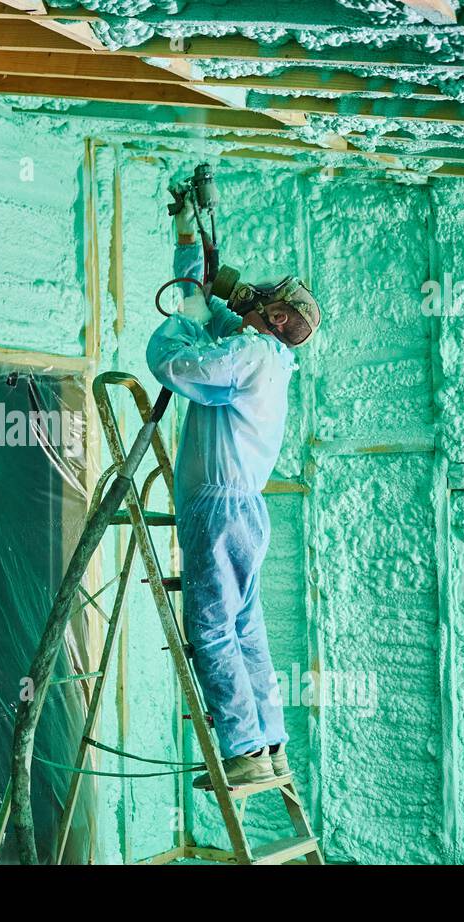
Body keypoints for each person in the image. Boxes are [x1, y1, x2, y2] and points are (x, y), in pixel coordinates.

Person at [146, 194, 321, 788]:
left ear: (274, 320)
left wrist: (180, 323)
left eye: (265, 298)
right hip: (245, 510)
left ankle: (243, 751)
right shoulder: (268, 357)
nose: (257, 293)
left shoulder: (246, 354)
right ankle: (268, 742)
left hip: (217, 509)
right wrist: (191, 246)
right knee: (245, 629)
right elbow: (213, 315)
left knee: (213, 628)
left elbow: (175, 363)